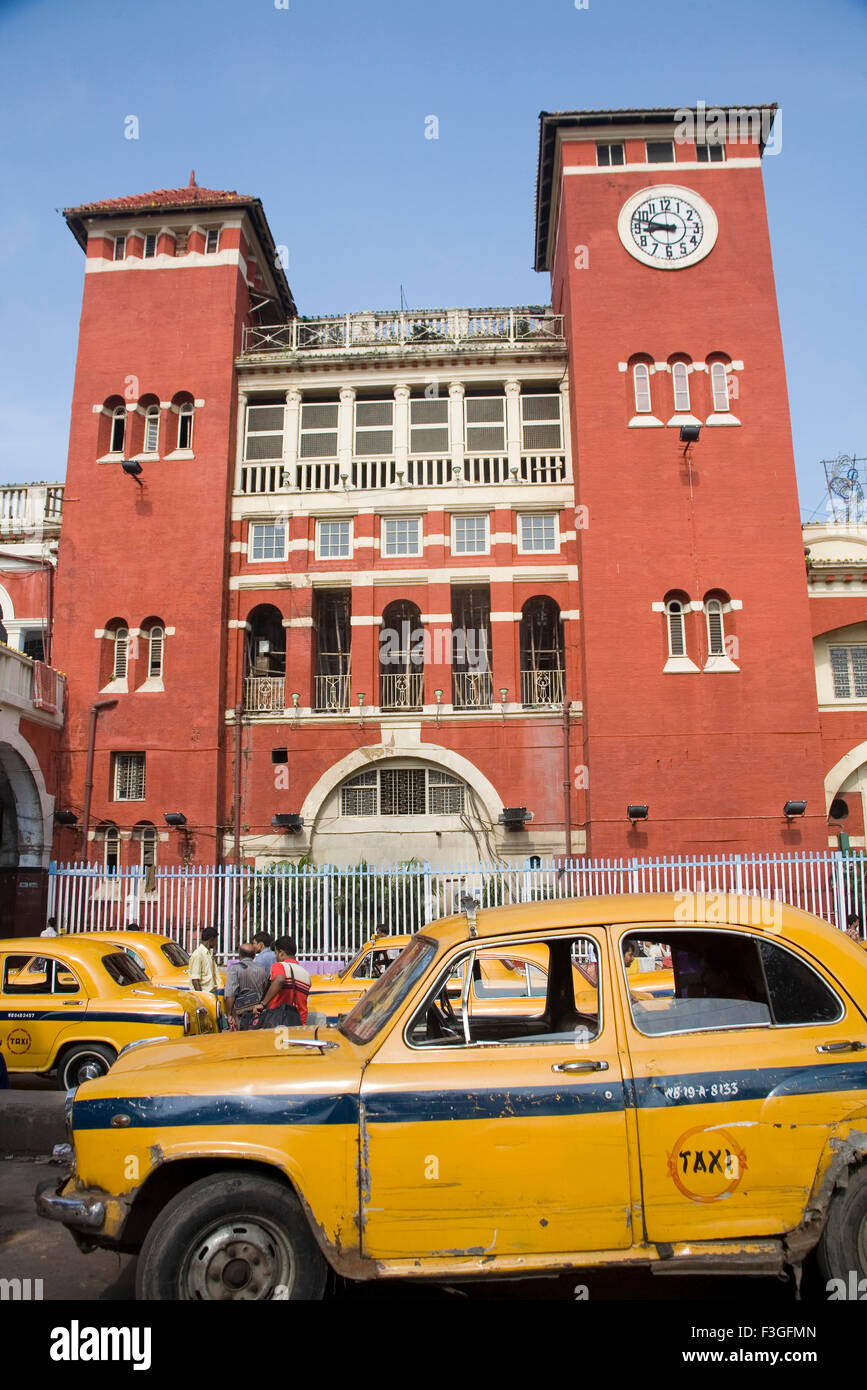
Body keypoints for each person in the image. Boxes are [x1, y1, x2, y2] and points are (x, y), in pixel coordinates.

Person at [253, 935, 310, 1026]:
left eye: (276, 953)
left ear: (281, 953)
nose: (275, 957)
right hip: (300, 1024)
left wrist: (263, 1004)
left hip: (278, 1022)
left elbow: (280, 979)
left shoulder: (280, 966)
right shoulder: (306, 974)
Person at [224, 942, 269, 1031]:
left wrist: (229, 1015)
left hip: (240, 1015)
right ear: (254, 955)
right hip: (257, 1014)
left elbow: (230, 994)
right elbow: (265, 991)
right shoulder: (262, 969)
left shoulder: (234, 969)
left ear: (239, 955)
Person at [189, 926, 219, 995]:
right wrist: (202, 998)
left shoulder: (208, 953)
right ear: (211, 939)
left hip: (211, 992)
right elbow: (195, 980)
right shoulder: (198, 954)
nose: (216, 943)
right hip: (205, 994)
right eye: (216, 940)